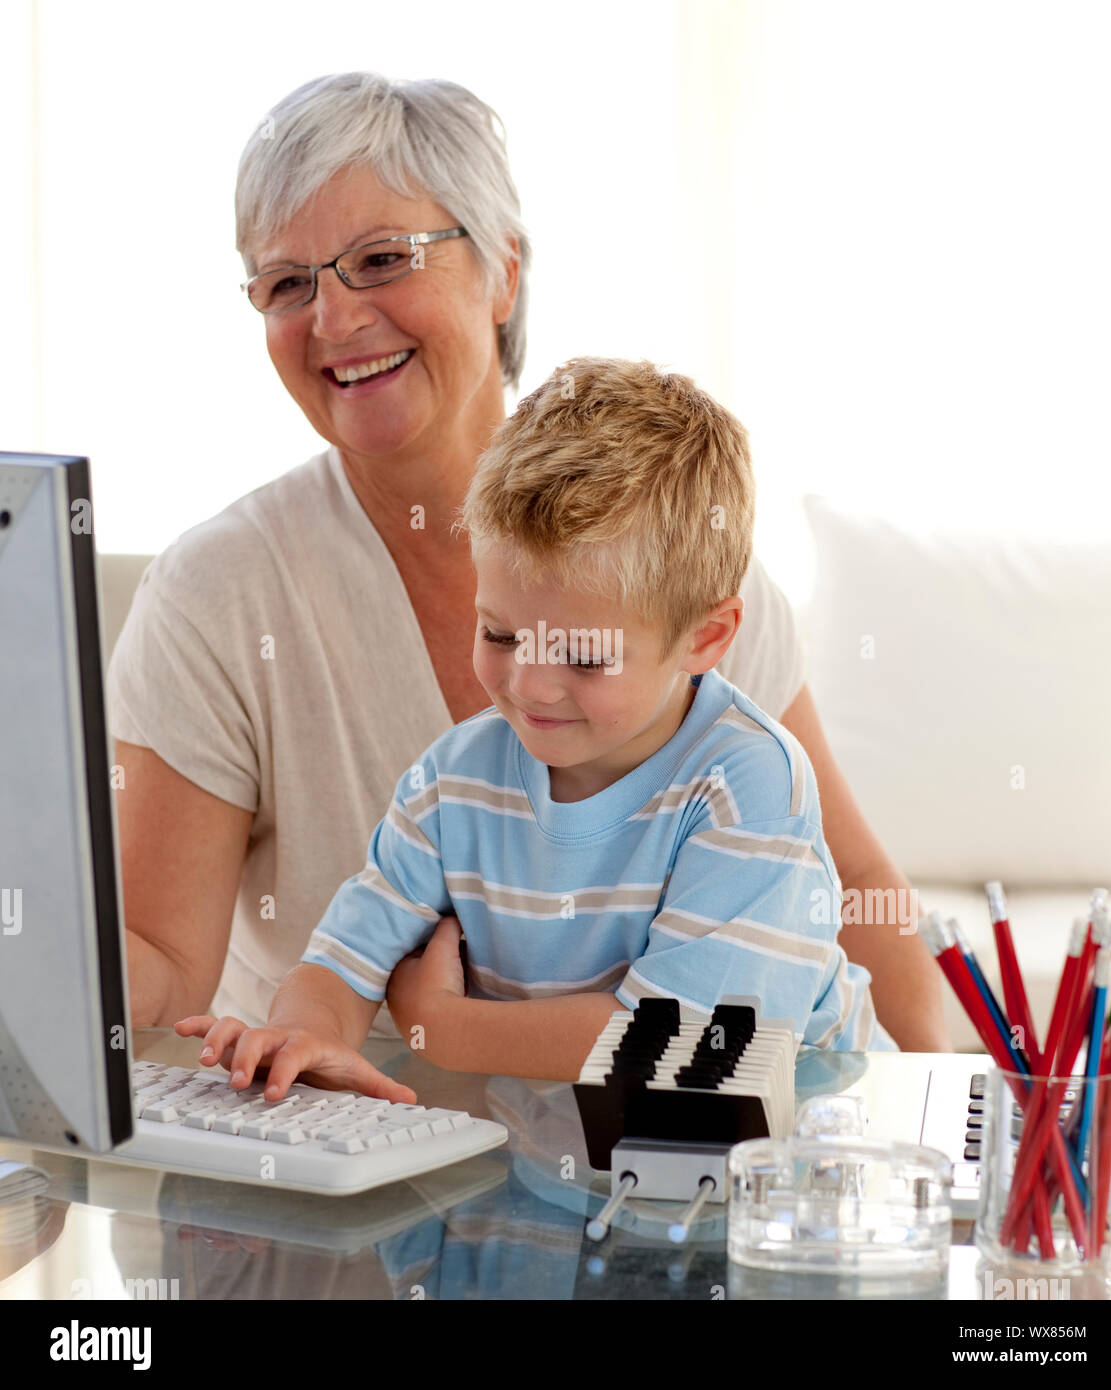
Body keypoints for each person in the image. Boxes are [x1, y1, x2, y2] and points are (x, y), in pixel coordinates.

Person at [108, 71, 949, 1054]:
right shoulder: (225, 597)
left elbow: (847, 909)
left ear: (503, 272)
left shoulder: (680, 567)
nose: (333, 320)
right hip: (370, 1165)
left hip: (676, 1158)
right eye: (287, 284)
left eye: (381, 259)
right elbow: (165, 966)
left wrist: (943, 1128)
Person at [174, 357, 894, 1099]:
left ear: (706, 638)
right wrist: (306, 1034)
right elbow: (342, 961)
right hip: (579, 1160)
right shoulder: (453, 781)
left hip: (791, 1161)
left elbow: (682, 1045)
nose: (529, 683)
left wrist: (443, 1029)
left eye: (583, 656)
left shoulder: (748, 783)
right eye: (500, 634)